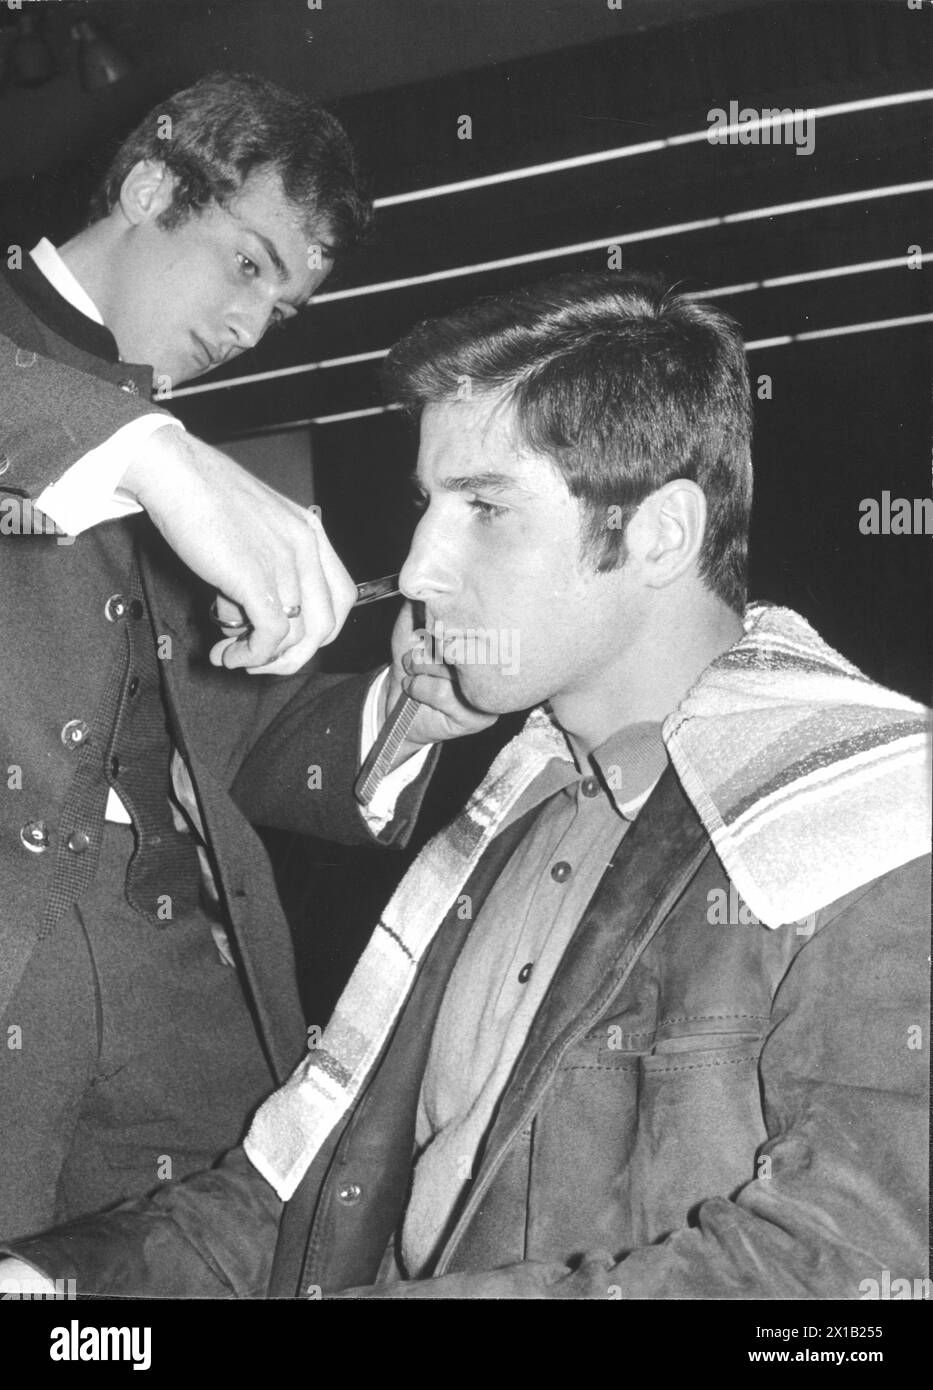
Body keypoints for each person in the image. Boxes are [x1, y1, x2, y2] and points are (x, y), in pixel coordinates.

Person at [1, 271, 927, 1299]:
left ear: (661, 533)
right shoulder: (510, 814)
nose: (420, 566)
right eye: (427, 504)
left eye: (485, 506)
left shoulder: (874, 818)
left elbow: (849, 1282)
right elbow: (302, 1199)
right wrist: (52, 1284)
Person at [0, 72, 487, 1242]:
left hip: (188, 984)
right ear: (151, 184)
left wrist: (396, 714)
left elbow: (220, 732)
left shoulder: (162, 453)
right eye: (249, 266)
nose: (250, 329)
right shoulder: (132, 444)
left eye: (283, 307)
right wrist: (152, 452)